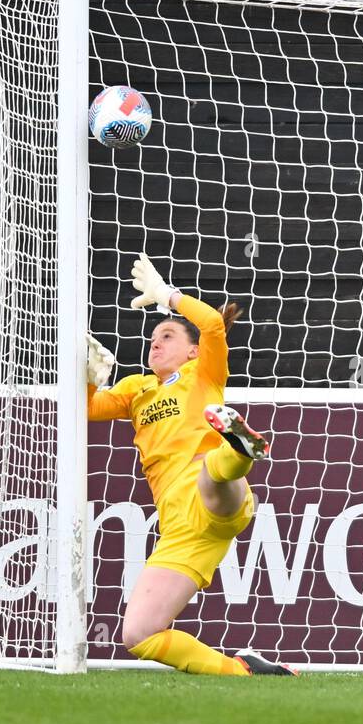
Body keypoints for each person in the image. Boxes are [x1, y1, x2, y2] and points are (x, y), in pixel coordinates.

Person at [86, 253, 294, 676]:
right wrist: (88, 375)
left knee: (213, 472)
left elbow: (214, 324)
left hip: (212, 489)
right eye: (152, 339)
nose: (155, 343)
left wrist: (167, 296)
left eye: (167, 336)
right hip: (181, 529)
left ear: (192, 351)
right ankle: (243, 671)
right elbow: (88, 409)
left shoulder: (204, 372)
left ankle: (238, 448)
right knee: (139, 635)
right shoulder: (135, 390)